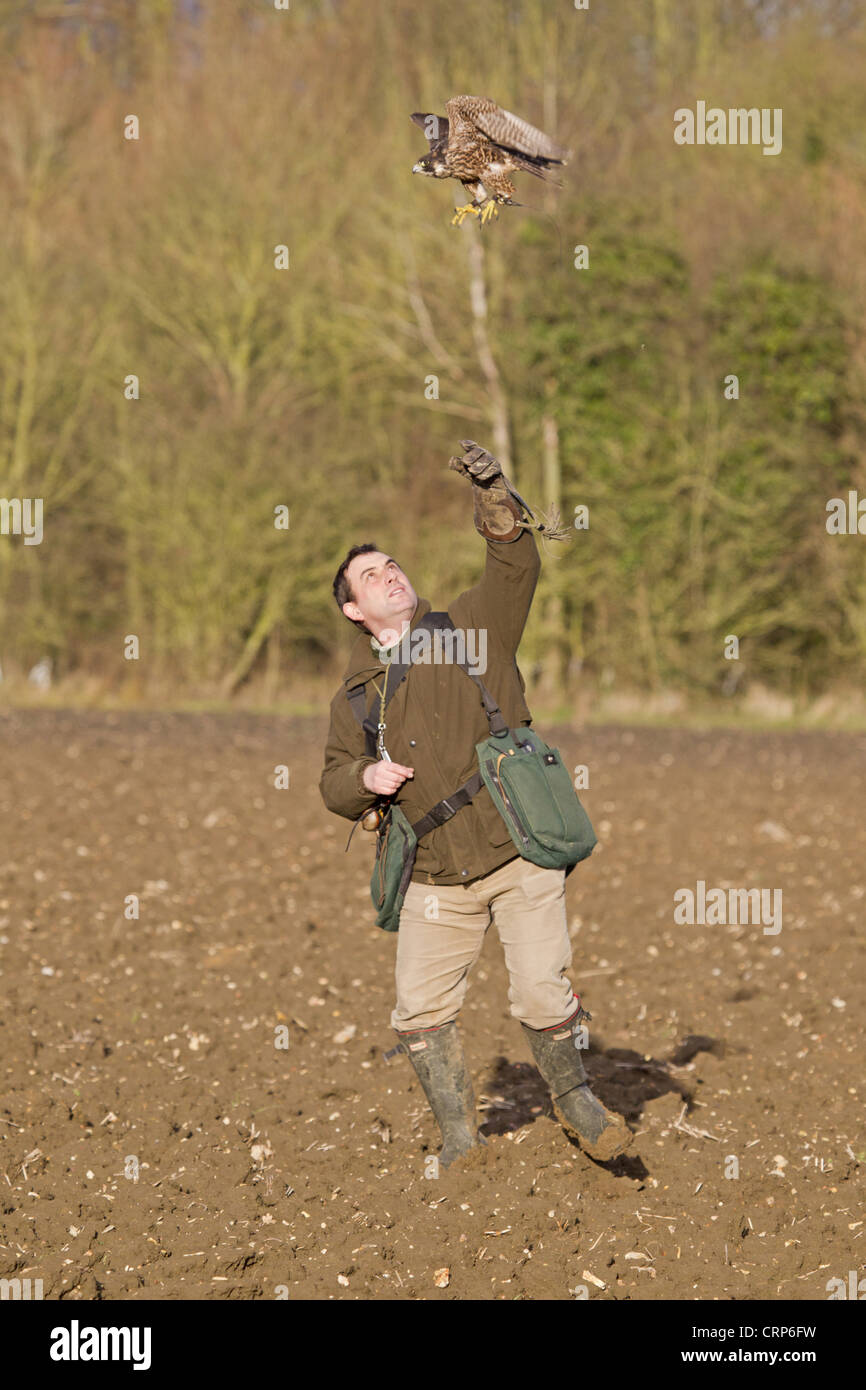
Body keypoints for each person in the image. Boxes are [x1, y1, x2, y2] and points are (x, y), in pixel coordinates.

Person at [319, 441, 633, 1167]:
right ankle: (463, 1143)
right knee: (419, 1015)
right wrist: (363, 781)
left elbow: (514, 563)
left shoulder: (470, 627)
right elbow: (332, 779)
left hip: (518, 851)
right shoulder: (358, 698)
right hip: (433, 879)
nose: (389, 574)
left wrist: (492, 494)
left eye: (392, 565)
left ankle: (576, 1101)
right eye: (371, 574)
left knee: (541, 992)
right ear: (352, 608)